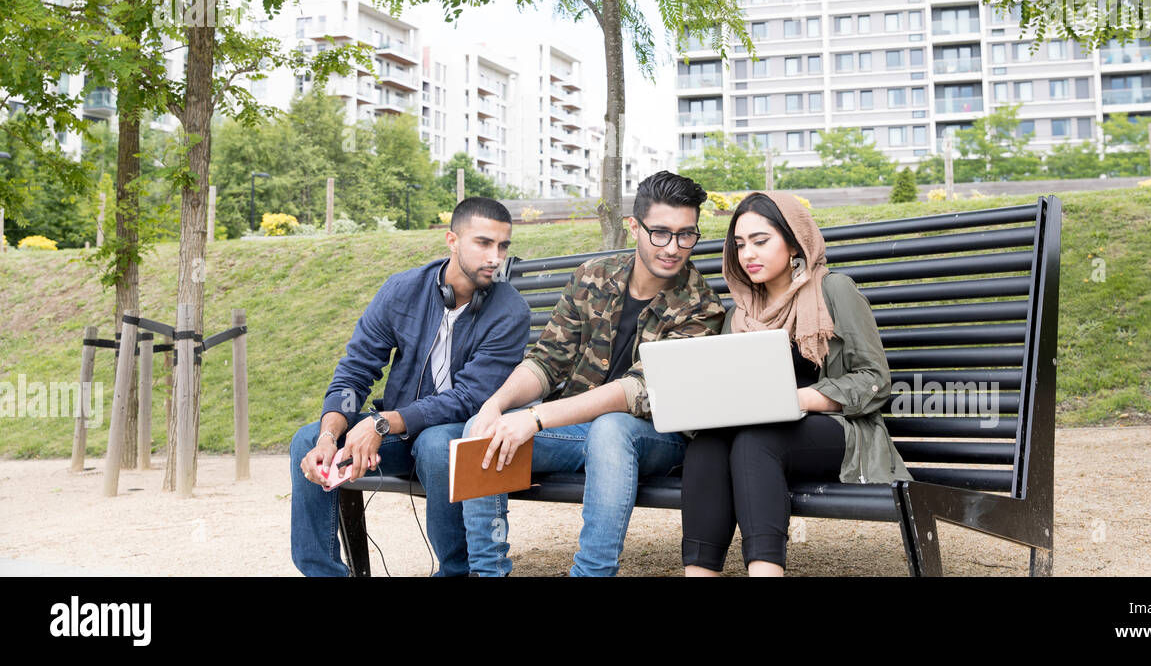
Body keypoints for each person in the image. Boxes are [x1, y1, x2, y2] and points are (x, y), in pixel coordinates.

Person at [461, 170, 725, 576]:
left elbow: (635, 391)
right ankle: (487, 573)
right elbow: (547, 361)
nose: (673, 247)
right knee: (479, 434)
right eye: (660, 233)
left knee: (612, 428)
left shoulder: (701, 308)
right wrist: (494, 407)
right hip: (578, 430)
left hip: (656, 437)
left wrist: (534, 418)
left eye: (686, 234)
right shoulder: (592, 278)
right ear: (633, 227)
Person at [289, 196, 531, 577]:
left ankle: (456, 571)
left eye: (503, 246)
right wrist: (328, 434)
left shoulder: (510, 310)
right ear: (452, 240)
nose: (495, 257)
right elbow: (355, 374)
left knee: (438, 446)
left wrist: (383, 422)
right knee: (307, 440)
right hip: (401, 432)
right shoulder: (402, 291)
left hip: (460, 429)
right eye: (483, 243)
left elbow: (469, 398)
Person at [680, 190, 911, 577]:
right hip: (759, 431)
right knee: (709, 444)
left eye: (760, 241)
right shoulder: (739, 313)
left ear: (793, 242)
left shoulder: (833, 290)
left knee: (757, 440)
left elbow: (874, 380)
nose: (748, 254)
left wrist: (797, 398)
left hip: (838, 431)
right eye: (739, 244)